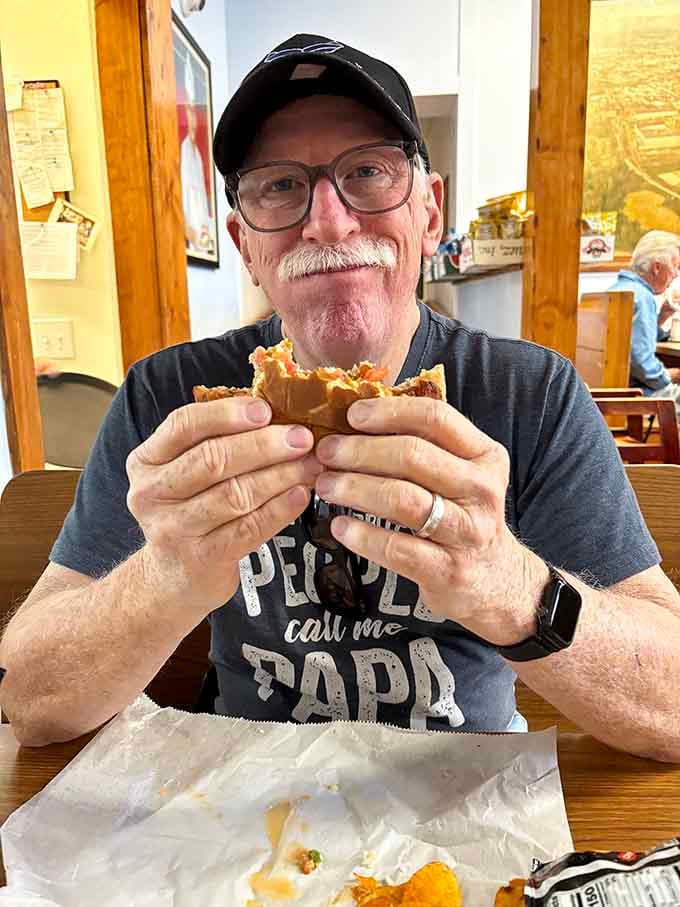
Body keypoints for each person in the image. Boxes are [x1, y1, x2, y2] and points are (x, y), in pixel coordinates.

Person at [2, 34, 680, 762]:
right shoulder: (168, 399)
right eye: (280, 187)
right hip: (239, 814)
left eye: (368, 171)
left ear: (429, 213)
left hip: (469, 796)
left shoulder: (528, 393)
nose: (327, 220)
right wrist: (164, 578)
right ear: (244, 243)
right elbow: (28, 701)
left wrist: (508, 583)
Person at [610, 230, 680, 416]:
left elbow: (633, 340)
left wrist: (663, 316)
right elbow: (642, 364)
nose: (676, 274)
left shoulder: (620, 289)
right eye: (676, 266)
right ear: (657, 267)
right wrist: (668, 376)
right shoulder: (642, 297)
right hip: (639, 395)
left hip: (617, 389)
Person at [179, 60, 212, 253]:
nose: (193, 120)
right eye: (189, 112)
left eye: (194, 113)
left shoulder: (198, 156)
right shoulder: (183, 151)